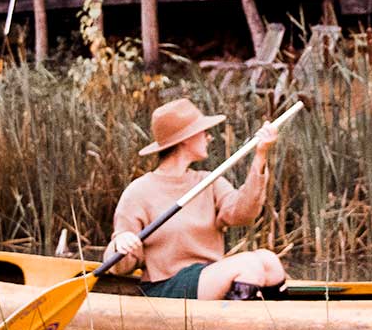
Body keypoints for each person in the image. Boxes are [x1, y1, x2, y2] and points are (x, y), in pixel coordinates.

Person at [105, 97, 284, 301]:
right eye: (204, 132)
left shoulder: (209, 182)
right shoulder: (138, 191)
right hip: (166, 285)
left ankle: (276, 318)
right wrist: (121, 243)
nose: (209, 137)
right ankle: (234, 317)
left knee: (269, 261)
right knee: (249, 266)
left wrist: (260, 156)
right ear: (186, 138)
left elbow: (244, 214)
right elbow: (119, 267)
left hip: (207, 276)